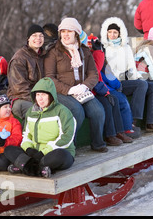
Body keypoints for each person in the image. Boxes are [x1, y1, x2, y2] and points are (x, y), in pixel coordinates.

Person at [44, 17, 107, 152]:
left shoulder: (84, 51)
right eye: (63, 31)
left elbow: (93, 74)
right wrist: (69, 90)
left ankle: (97, 143)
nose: (66, 35)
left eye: (70, 31)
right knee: (77, 111)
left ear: (76, 34)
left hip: (81, 90)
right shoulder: (54, 52)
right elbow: (49, 78)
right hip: (61, 92)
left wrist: (85, 86)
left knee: (98, 111)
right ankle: (70, 145)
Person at [100, 17, 153, 133]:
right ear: (106, 33)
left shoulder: (126, 48)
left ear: (120, 33)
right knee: (141, 85)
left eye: (115, 32)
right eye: (109, 32)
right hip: (113, 83)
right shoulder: (103, 48)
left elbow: (132, 69)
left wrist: (138, 79)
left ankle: (152, 122)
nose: (112, 35)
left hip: (125, 81)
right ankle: (132, 121)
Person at [5, 77, 76, 177]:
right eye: (38, 95)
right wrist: (29, 149)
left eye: (43, 94)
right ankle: (41, 169)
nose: (40, 98)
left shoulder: (62, 111)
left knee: (61, 156)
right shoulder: (31, 112)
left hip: (54, 152)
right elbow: (26, 135)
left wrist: (43, 153)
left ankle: (24, 166)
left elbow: (66, 137)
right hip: (34, 153)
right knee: (9, 150)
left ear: (51, 95)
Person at [87, 36, 133, 145]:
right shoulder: (92, 59)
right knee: (114, 101)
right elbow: (100, 76)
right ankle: (112, 133)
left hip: (104, 88)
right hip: (97, 88)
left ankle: (120, 131)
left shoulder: (101, 60)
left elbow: (107, 76)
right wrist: (114, 87)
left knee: (115, 100)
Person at [7, 24, 46, 119]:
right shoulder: (19, 58)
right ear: (28, 38)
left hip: (40, 97)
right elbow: (19, 88)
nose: (38, 38)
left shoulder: (44, 56)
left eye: (41, 36)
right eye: (34, 35)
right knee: (41, 113)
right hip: (22, 98)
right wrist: (39, 100)